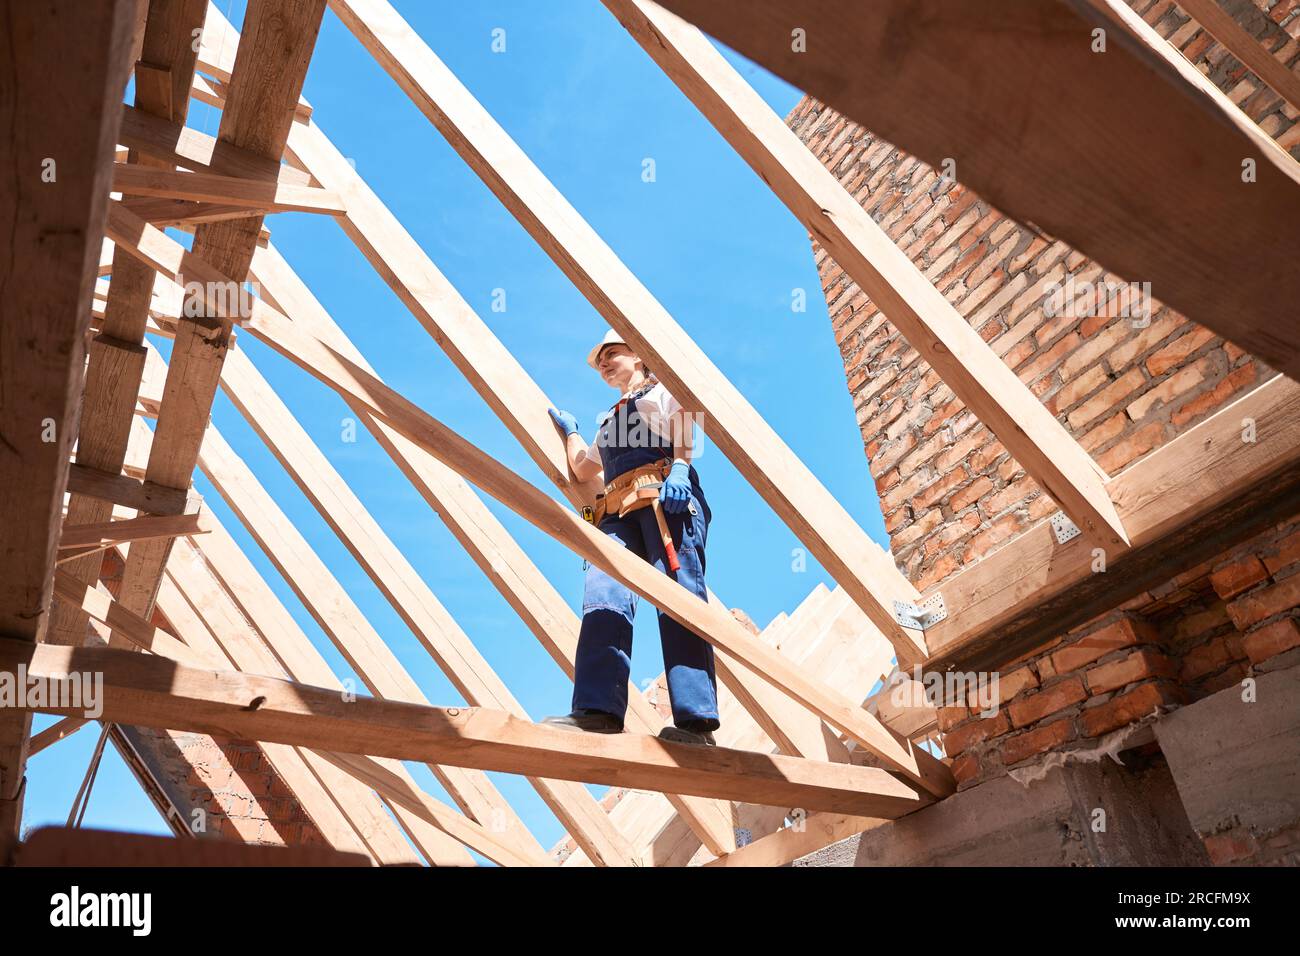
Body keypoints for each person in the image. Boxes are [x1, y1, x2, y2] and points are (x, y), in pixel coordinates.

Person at [541, 329, 720, 745]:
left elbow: (689, 421)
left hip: (664, 502)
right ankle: (597, 710)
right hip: (619, 512)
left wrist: (679, 471)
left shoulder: (661, 393)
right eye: (599, 361)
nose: (603, 364)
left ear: (639, 354)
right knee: (604, 595)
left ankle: (697, 723)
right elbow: (584, 471)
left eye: (611, 354)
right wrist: (571, 432)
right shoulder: (609, 420)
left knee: (677, 599)